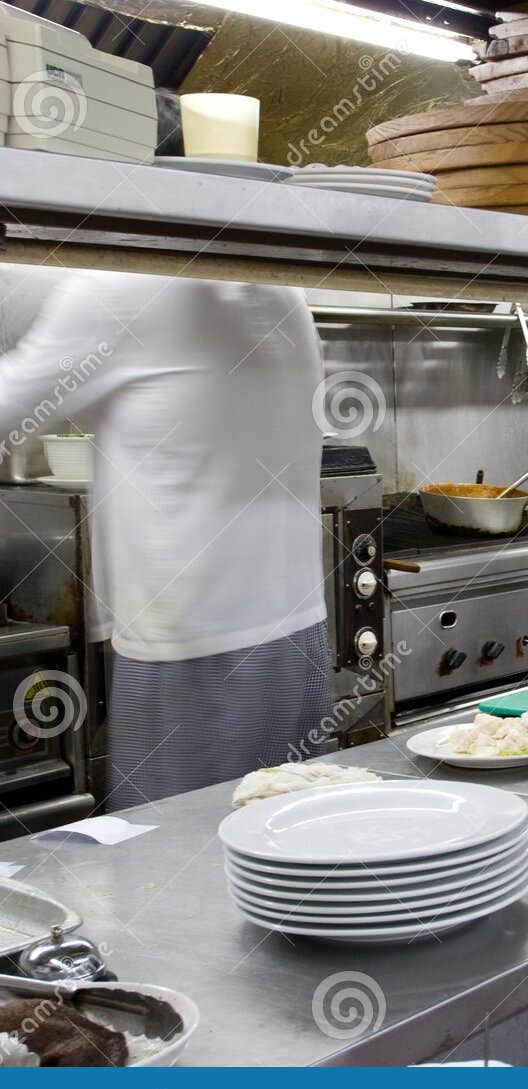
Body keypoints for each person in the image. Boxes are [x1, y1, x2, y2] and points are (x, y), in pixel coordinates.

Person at [0, 271, 333, 810]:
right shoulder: (278, 286)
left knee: (166, 859)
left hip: (195, 652)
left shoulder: (116, 289)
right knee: (287, 852)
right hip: (299, 640)